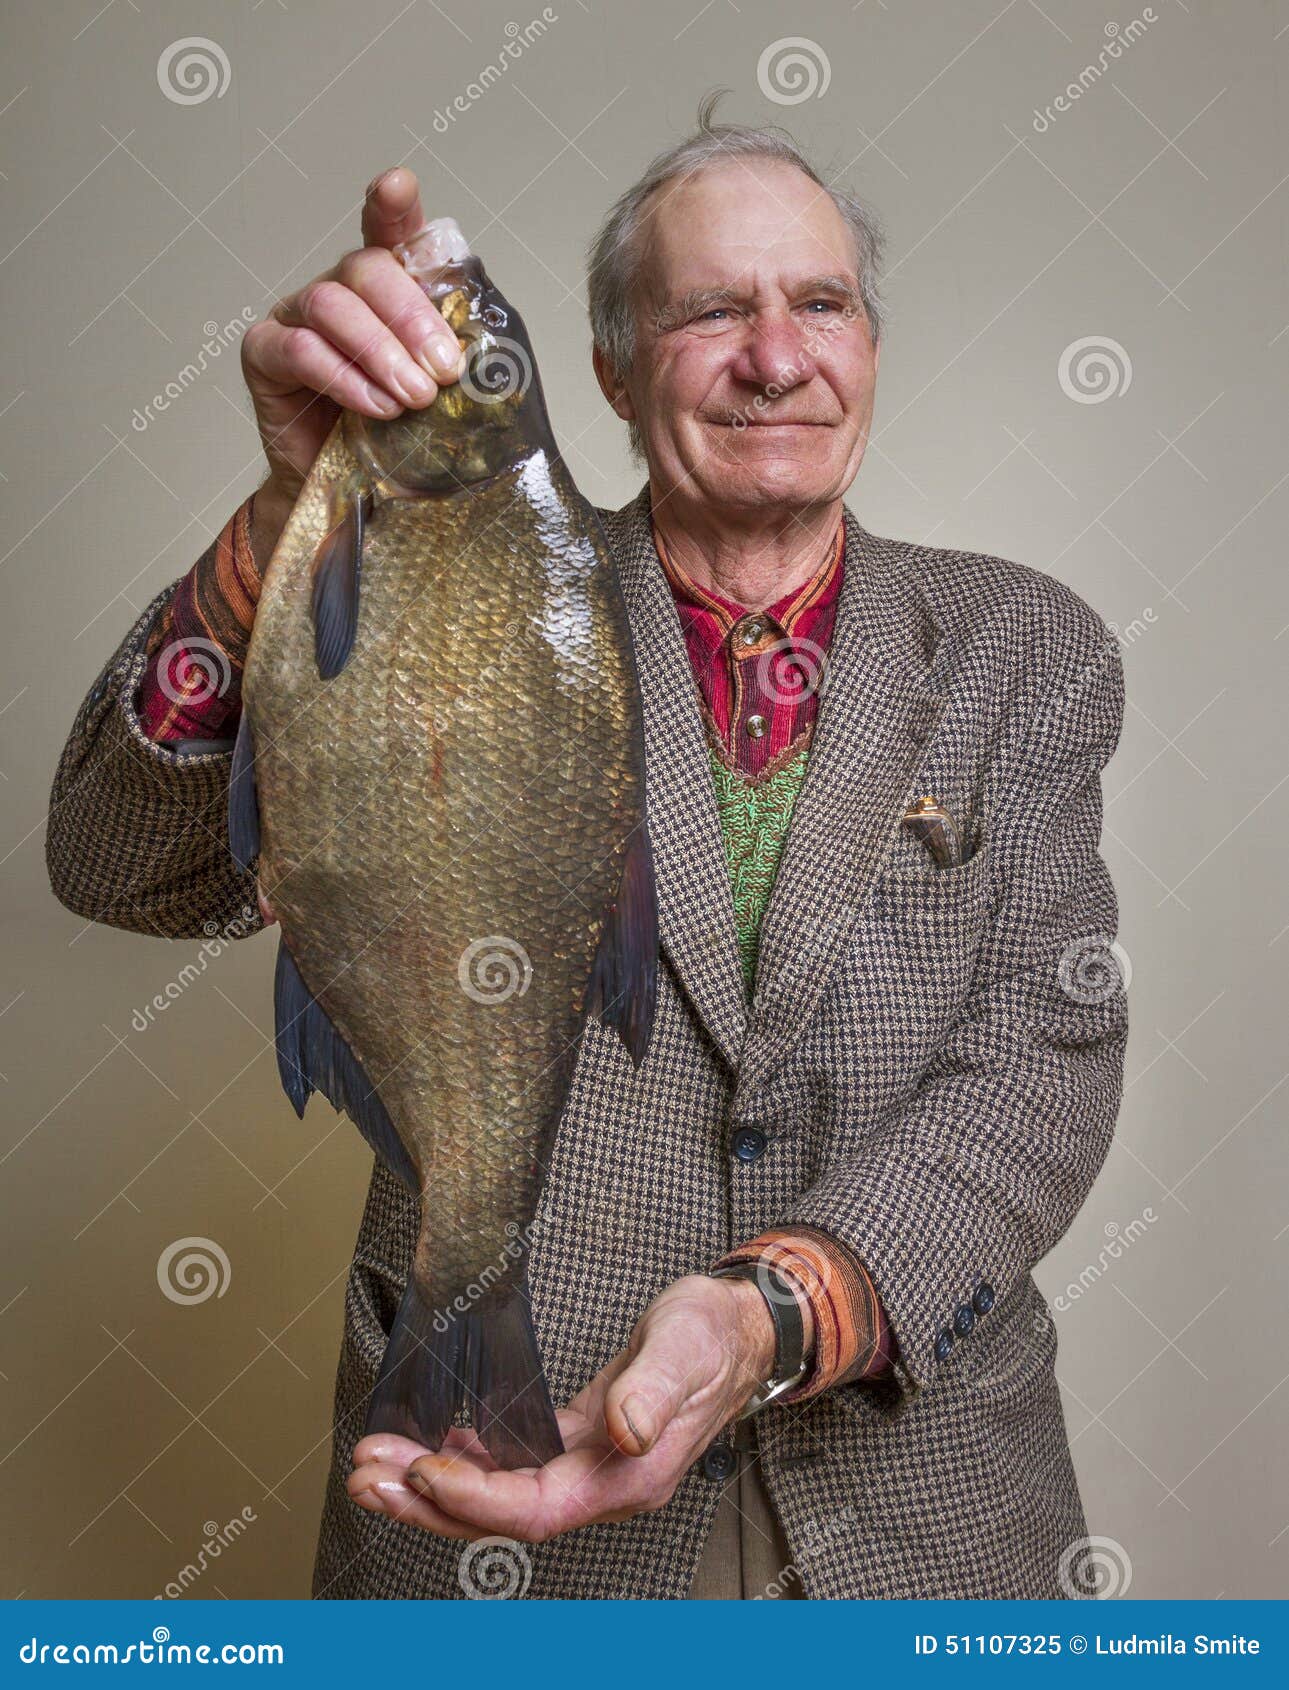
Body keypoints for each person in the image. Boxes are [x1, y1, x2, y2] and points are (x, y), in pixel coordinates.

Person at [46, 97, 1127, 1600]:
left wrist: (774, 1314)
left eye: (819, 301)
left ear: (868, 343)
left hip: (919, 1520)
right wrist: (281, 529)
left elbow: (1040, 1057)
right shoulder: (446, 580)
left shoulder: (1026, 647)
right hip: (485, 1473)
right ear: (612, 369)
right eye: (708, 311)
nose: (774, 353)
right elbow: (118, 865)